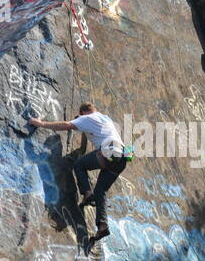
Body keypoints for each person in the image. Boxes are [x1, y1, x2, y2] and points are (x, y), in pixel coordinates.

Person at [29, 102, 130, 250]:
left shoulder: (86, 119)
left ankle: (88, 194)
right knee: (101, 191)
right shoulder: (105, 118)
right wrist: (81, 122)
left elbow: (66, 125)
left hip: (109, 152)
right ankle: (102, 225)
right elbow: (85, 140)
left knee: (79, 165)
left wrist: (41, 124)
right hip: (122, 158)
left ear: (83, 112)